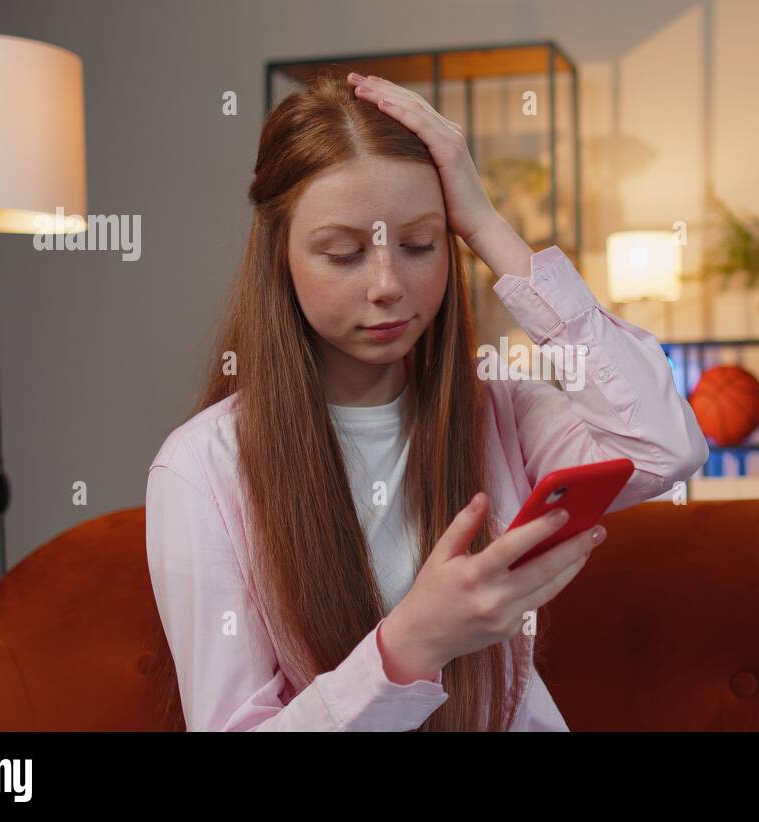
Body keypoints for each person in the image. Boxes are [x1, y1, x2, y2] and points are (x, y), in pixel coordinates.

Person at [144, 70, 708, 732]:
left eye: (420, 244)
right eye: (343, 253)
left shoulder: (506, 412)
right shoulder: (202, 469)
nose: (388, 285)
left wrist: (489, 225)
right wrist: (410, 646)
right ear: (281, 259)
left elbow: (666, 447)